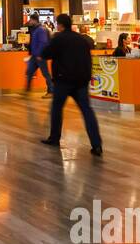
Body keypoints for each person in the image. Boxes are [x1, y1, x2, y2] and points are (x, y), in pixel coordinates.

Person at [40, 14, 102, 156]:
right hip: (81, 81)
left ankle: (54, 138)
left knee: (56, 108)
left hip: (64, 80)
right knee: (87, 111)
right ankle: (97, 145)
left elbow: (46, 53)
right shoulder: (81, 39)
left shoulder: (59, 38)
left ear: (60, 25)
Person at [24, 16, 51, 93]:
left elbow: (43, 42)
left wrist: (40, 54)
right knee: (29, 71)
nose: (29, 21)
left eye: (31, 20)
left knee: (45, 73)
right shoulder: (35, 29)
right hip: (34, 55)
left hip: (40, 56)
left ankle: (51, 90)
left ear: (34, 20)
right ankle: (27, 90)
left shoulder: (40, 30)